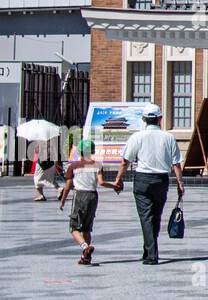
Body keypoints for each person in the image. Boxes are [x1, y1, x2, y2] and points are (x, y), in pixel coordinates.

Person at [111, 105, 184, 265]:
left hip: (142, 180)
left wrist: (118, 179)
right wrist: (180, 183)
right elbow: (176, 163)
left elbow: (125, 161)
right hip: (161, 180)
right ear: (160, 119)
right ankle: (148, 250)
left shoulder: (137, 137)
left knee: (146, 217)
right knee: (155, 216)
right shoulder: (168, 137)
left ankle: (152, 255)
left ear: (143, 119)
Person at [58, 139, 111, 265]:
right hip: (93, 196)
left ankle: (84, 247)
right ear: (92, 151)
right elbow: (102, 182)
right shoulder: (98, 165)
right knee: (87, 228)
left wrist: (63, 201)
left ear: (80, 151)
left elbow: (68, 186)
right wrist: (115, 186)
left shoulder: (73, 166)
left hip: (80, 195)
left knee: (74, 227)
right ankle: (86, 257)